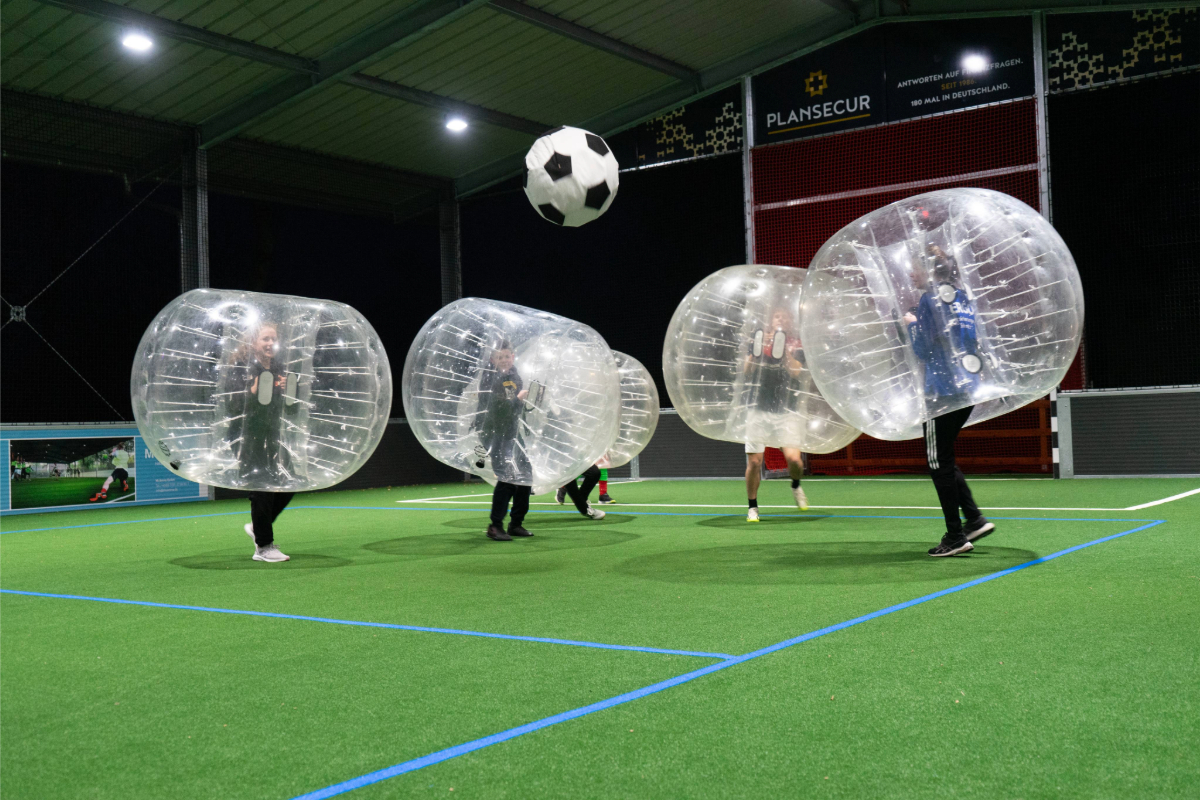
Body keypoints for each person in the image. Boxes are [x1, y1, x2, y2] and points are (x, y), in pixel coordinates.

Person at [904, 245, 996, 557]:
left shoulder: (929, 300)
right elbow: (969, 342)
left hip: (940, 391)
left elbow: (923, 349)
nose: (910, 273)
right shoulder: (962, 298)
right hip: (966, 386)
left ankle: (955, 536)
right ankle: (974, 519)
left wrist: (910, 323)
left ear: (929, 270)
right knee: (944, 457)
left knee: (936, 462)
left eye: (914, 267)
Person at [232, 321, 293, 563]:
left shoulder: (279, 367)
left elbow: (291, 409)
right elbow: (230, 406)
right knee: (262, 488)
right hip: (248, 436)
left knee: (290, 482)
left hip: (274, 435)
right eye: (265, 339)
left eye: (273, 339)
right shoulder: (242, 367)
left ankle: (259, 529)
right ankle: (264, 547)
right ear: (253, 342)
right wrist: (251, 392)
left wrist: (291, 393)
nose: (270, 343)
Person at [742, 306, 809, 522]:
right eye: (776, 315)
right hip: (758, 409)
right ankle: (753, 507)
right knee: (754, 462)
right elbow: (747, 370)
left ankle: (796, 485)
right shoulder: (757, 340)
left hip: (786, 410)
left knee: (795, 462)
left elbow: (796, 372)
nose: (780, 319)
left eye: (784, 316)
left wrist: (783, 349)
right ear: (770, 321)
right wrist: (757, 350)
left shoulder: (797, 344)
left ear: (789, 322)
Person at [476, 341, 535, 541]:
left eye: (507, 356)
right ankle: (495, 526)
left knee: (525, 476)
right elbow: (497, 408)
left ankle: (516, 523)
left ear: (513, 357)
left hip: (511, 432)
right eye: (499, 357)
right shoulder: (489, 379)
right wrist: (518, 399)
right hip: (494, 432)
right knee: (507, 479)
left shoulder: (514, 375)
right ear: (492, 360)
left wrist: (526, 402)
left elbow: (513, 409)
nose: (504, 360)